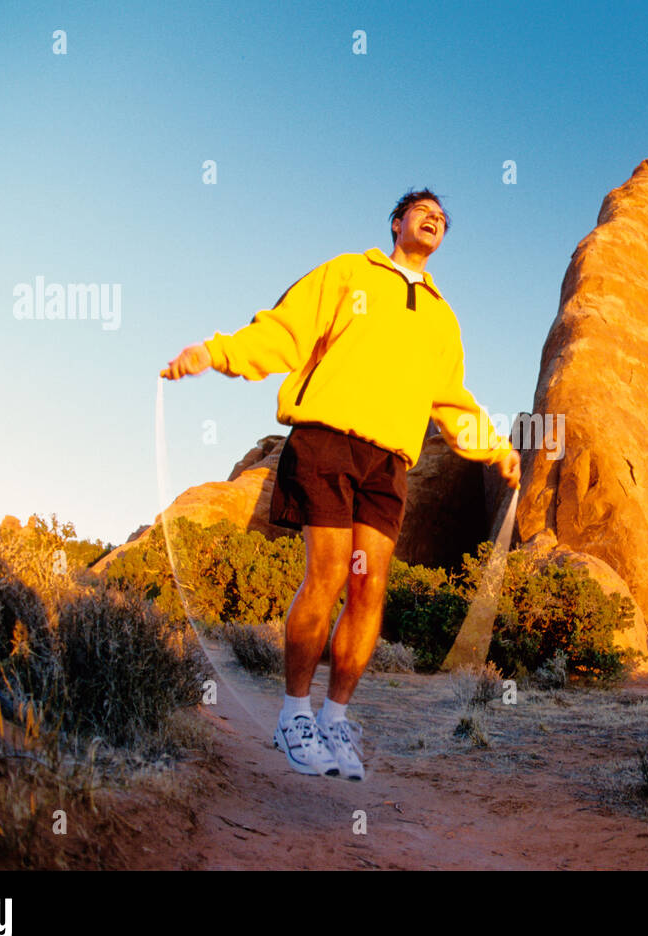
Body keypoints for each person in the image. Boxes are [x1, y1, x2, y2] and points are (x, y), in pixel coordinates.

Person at [161, 189, 520, 781]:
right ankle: (294, 713)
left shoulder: (441, 317)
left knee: (369, 587)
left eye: (442, 218)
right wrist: (214, 353)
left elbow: (451, 399)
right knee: (326, 574)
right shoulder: (349, 273)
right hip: (327, 438)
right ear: (398, 221)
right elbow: (284, 330)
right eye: (422, 211)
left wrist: (497, 449)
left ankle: (333, 718)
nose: (433, 219)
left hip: (389, 460)